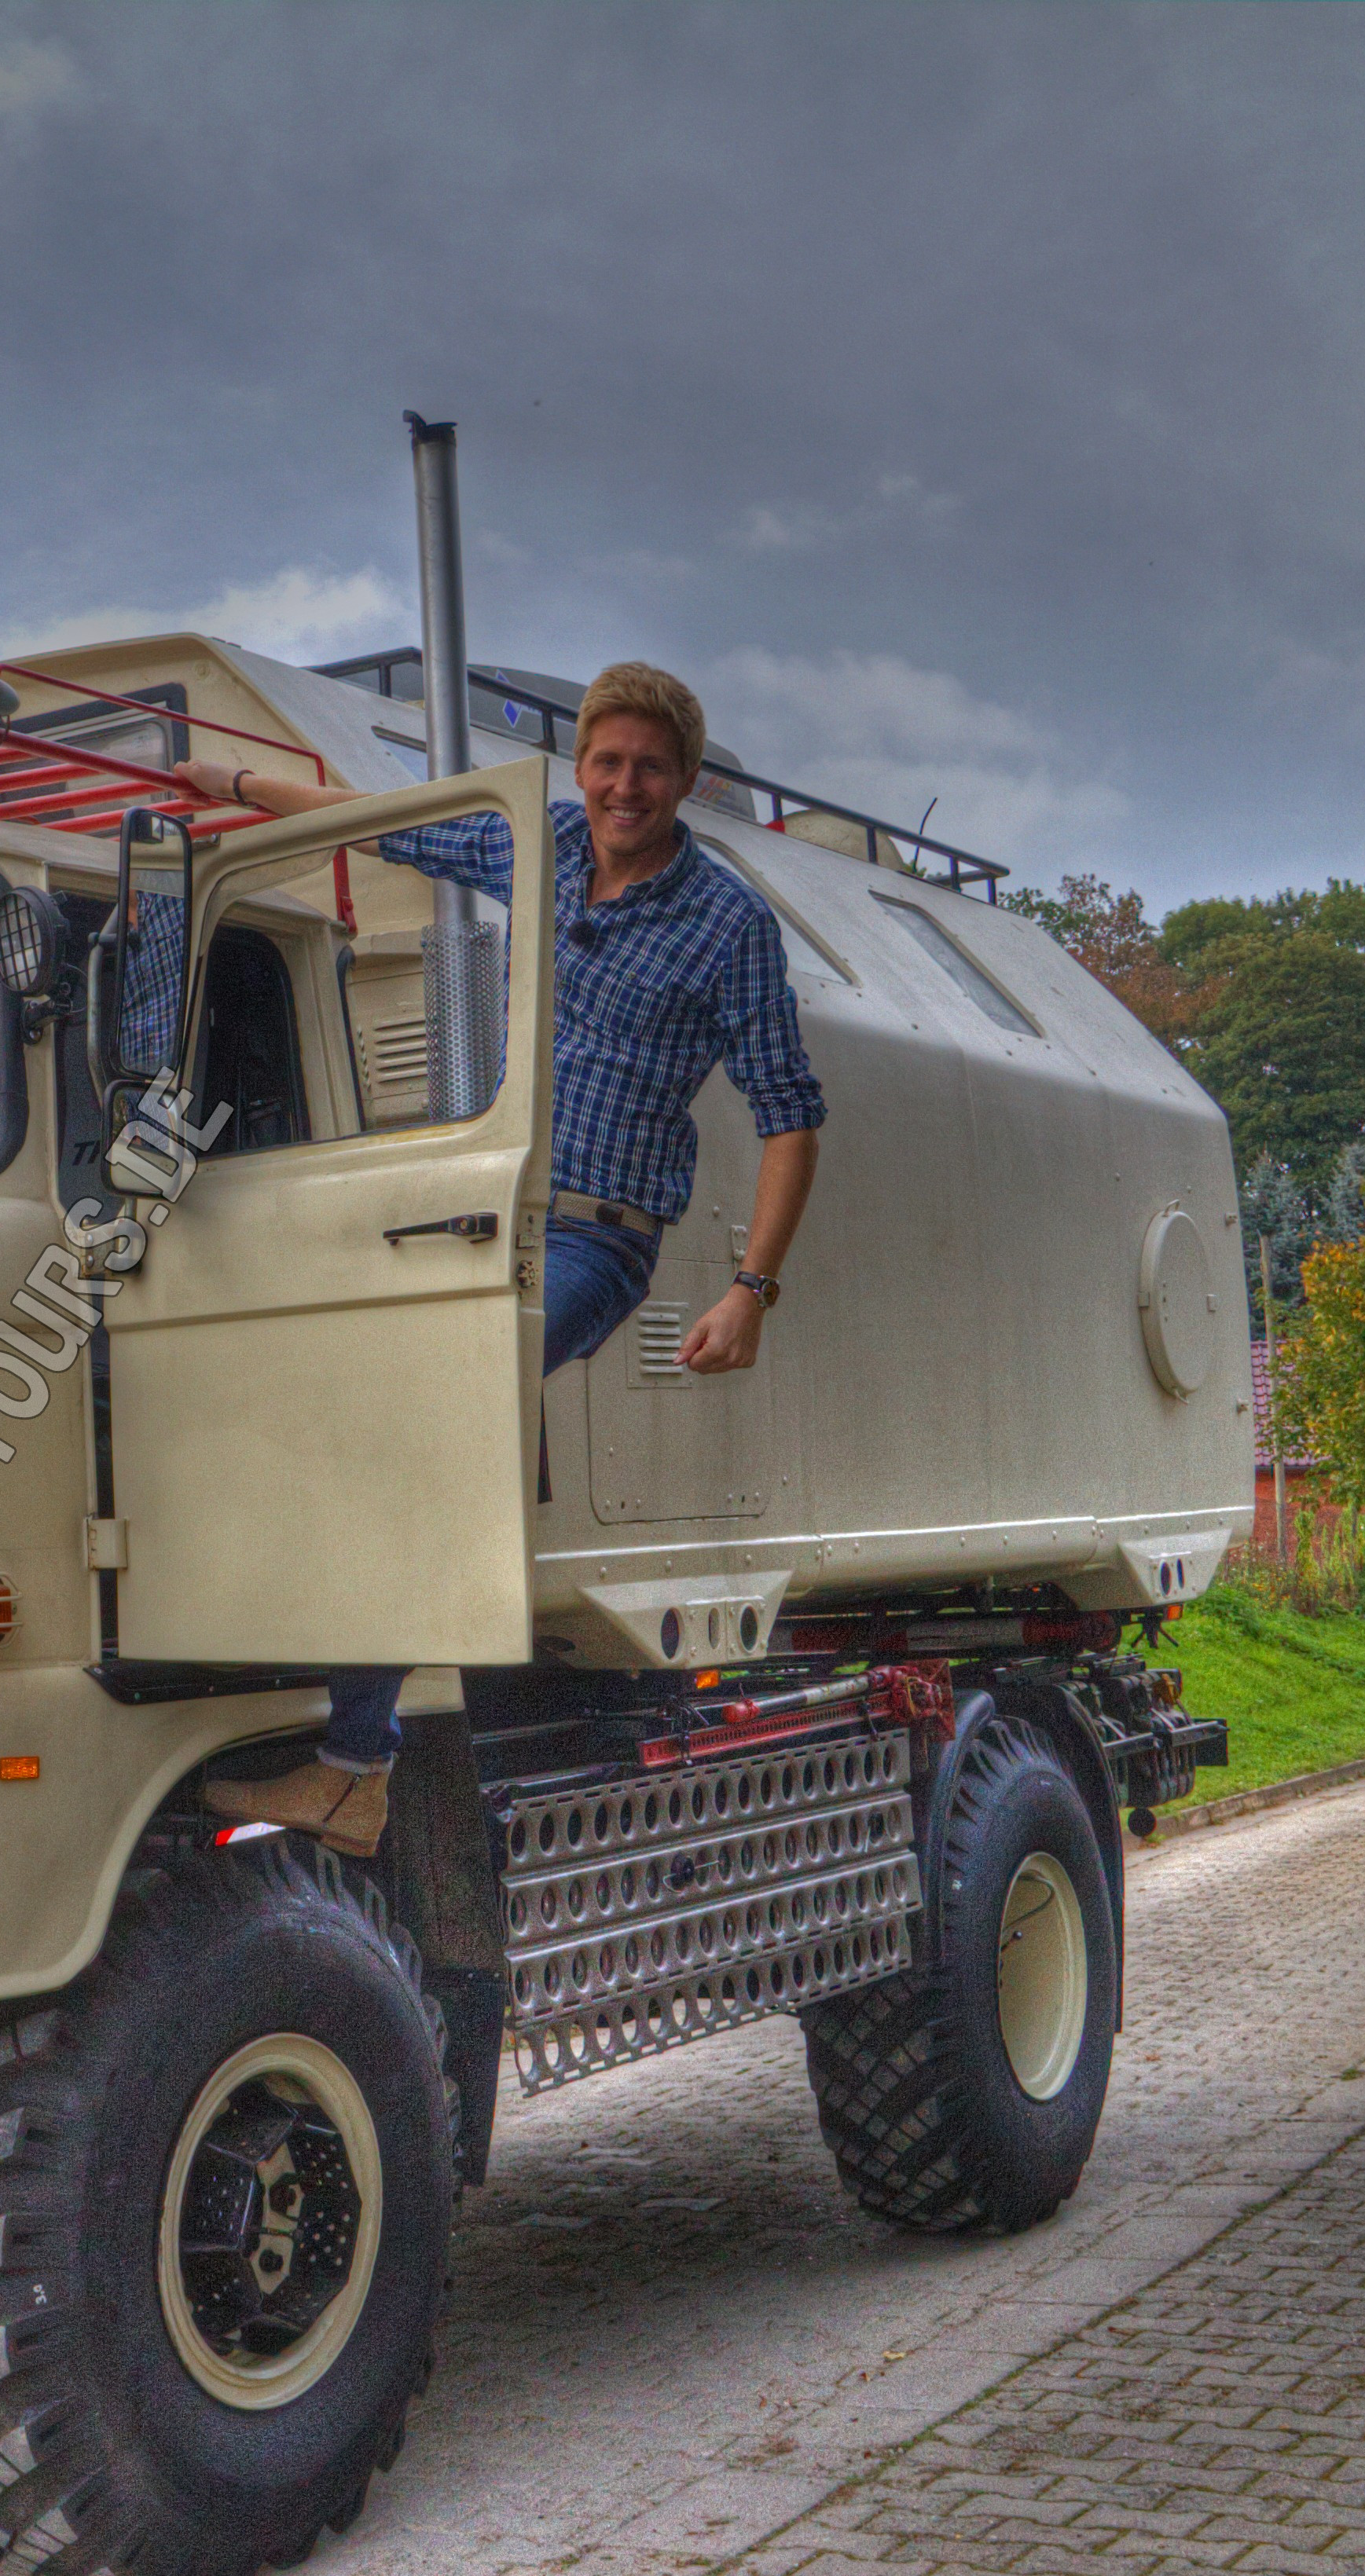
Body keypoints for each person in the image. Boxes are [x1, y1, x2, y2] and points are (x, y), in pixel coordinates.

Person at [189, 661, 824, 1858]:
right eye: (605, 762)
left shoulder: (727, 924)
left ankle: (354, 1767)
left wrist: (751, 1291)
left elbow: (790, 1115)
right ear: (576, 768)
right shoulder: (537, 844)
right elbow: (381, 822)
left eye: (647, 767)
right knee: (323, 1392)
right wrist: (221, 779)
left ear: (683, 781)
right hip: (485, 1208)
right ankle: (299, 1663)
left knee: (426, 1415)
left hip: (597, 1236)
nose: (622, 786)